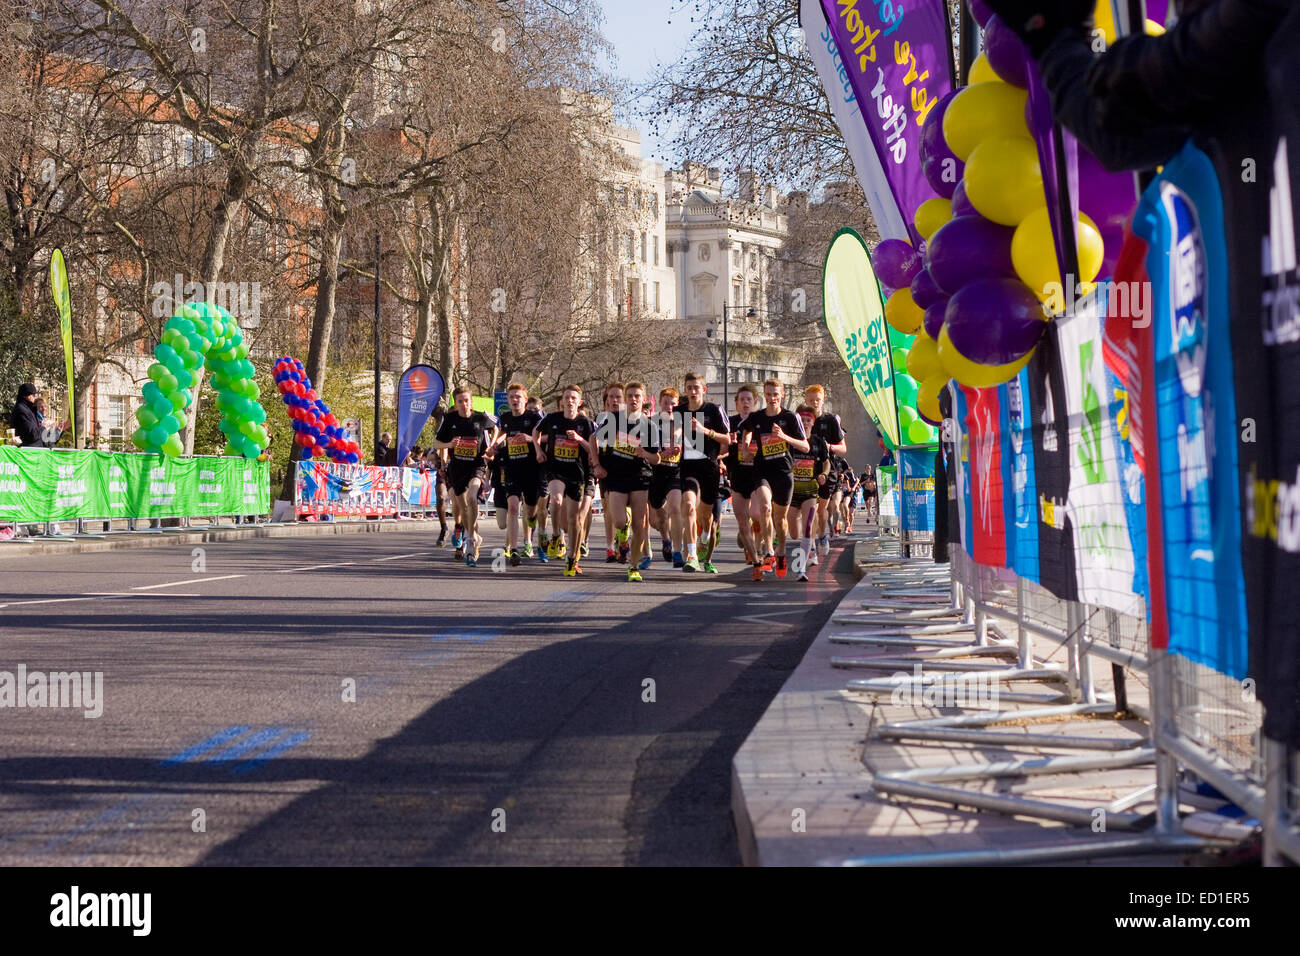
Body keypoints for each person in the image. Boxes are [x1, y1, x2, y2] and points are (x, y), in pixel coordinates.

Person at [591, 381, 665, 582]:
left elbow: (657, 459)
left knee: (640, 528)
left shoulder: (649, 425)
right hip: (615, 477)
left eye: (637, 396)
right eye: (630, 395)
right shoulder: (613, 419)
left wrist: (644, 454)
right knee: (619, 521)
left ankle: (633, 567)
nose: (633, 399)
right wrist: (597, 465)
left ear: (643, 399)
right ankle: (622, 534)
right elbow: (592, 439)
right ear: (625, 398)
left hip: (640, 477)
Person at [738, 378, 810, 581]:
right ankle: (769, 549)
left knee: (780, 519)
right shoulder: (757, 417)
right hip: (762, 470)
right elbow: (746, 430)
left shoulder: (790, 417)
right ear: (764, 395)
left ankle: (781, 551)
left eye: (775, 394)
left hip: (784, 473)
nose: (772, 398)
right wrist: (745, 447)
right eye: (768, 394)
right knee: (765, 508)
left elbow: (805, 446)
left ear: (782, 395)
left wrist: (785, 437)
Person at [432, 386, 498, 566]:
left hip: (476, 465)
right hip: (457, 467)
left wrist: (491, 447)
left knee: (472, 497)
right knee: (463, 509)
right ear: (456, 403)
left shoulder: (480, 417)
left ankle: (470, 544)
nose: (464, 404)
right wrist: (449, 444)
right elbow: (435, 442)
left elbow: (497, 428)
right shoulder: (450, 419)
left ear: (472, 401)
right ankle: (474, 535)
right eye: (460, 401)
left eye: (466, 400)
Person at [534, 384, 597, 576]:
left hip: (577, 474)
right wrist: (538, 451)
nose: (569, 401)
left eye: (573, 398)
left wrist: (579, 439)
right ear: (562, 401)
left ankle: (572, 558)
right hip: (555, 470)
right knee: (556, 498)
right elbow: (536, 433)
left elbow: (593, 449)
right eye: (567, 398)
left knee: (573, 520)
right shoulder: (552, 418)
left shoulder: (586, 423)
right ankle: (555, 536)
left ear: (579, 402)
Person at [676, 371, 730, 573]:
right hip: (688, 467)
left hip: (709, 467)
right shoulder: (678, 411)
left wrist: (705, 431)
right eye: (689, 388)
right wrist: (674, 437)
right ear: (685, 390)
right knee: (689, 506)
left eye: (696, 388)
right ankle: (691, 555)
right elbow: (671, 433)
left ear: (703, 390)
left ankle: (705, 539)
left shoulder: (714, 410)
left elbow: (728, 440)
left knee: (706, 519)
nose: (692, 391)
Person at [495, 382, 546, 565]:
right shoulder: (506, 417)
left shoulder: (534, 417)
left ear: (525, 399)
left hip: (532, 470)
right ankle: (514, 549)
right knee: (514, 507)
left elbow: (547, 437)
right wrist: (495, 444)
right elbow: (503, 432)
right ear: (508, 400)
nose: (515, 400)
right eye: (511, 397)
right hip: (512, 469)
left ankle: (531, 523)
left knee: (530, 510)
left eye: (518, 397)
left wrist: (530, 439)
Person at [649, 387, 686, 566]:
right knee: (658, 518)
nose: (669, 406)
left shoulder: (683, 422)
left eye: (673, 403)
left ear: (677, 404)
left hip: (676, 472)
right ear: (660, 403)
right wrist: (664, 453)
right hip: (655, 472)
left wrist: (681, 449)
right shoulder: (650, 423)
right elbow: (647, 452)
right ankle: (666, 539)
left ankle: (678, 552)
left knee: (675, 508)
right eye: (666, 403)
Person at [726, 385, 761, 567]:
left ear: (755, 402)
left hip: (757, 477)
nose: (746, 403)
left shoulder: (761, 421)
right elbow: (722, 448)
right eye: (742, 400)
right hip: (738, 476)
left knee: (757, 515)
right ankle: (754, 557)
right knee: (743, 523)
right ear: (737, 403)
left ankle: (757, 545)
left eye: (749, 400)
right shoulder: (730, 423)